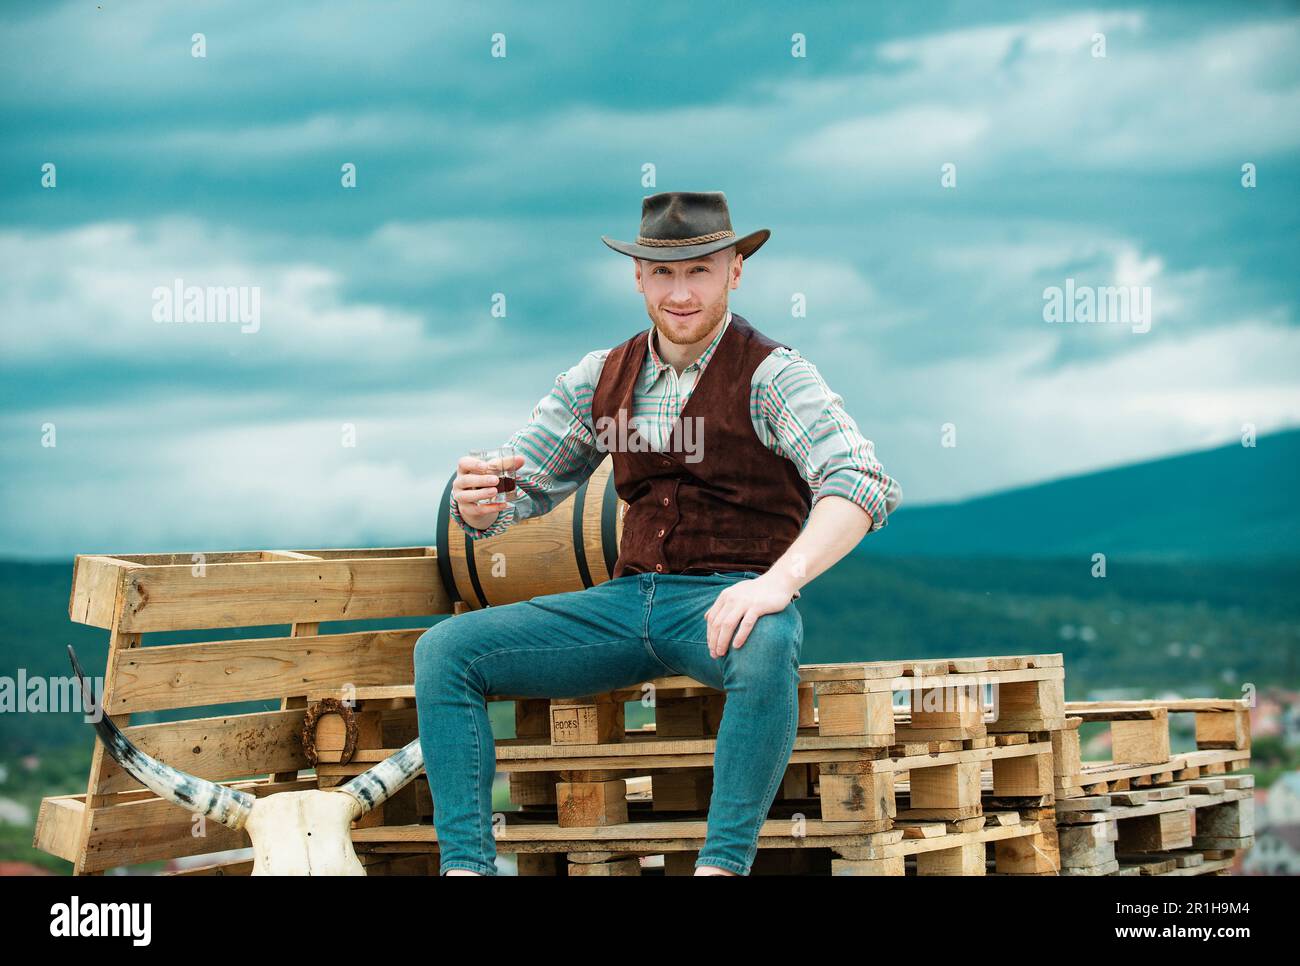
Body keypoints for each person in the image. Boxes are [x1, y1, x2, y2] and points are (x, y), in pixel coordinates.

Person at [414, 190, 902, 876]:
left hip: (729, 598)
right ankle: (467, 867)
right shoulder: (598, 378)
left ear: (736, 271)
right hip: (627, 600)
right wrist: (481, 503)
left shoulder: (771, 374)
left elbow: (861, 482)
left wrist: (775, 584)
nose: (681, 292)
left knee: (767, 644)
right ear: (638, 277)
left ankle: (721, 866)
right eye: (664, 272)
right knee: (445, 651)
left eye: (700, 270)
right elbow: (525, 484)